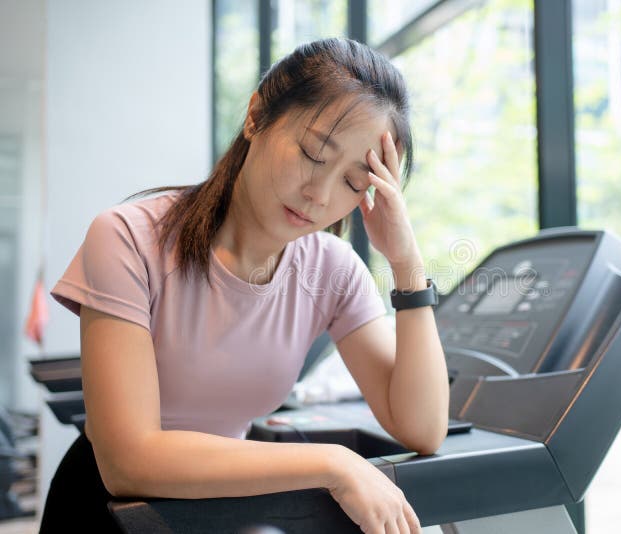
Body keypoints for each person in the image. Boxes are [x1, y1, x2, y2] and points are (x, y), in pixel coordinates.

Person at [40, 37, 449, 534]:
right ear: (256, 116)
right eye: (314, 154)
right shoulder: (128, 237)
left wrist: (406, 262)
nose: (319, 195)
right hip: (106, 514)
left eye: (353, 183)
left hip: (224, 506)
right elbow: (129, 461)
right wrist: (334, 463)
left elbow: (423, 429)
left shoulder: (332, 269)